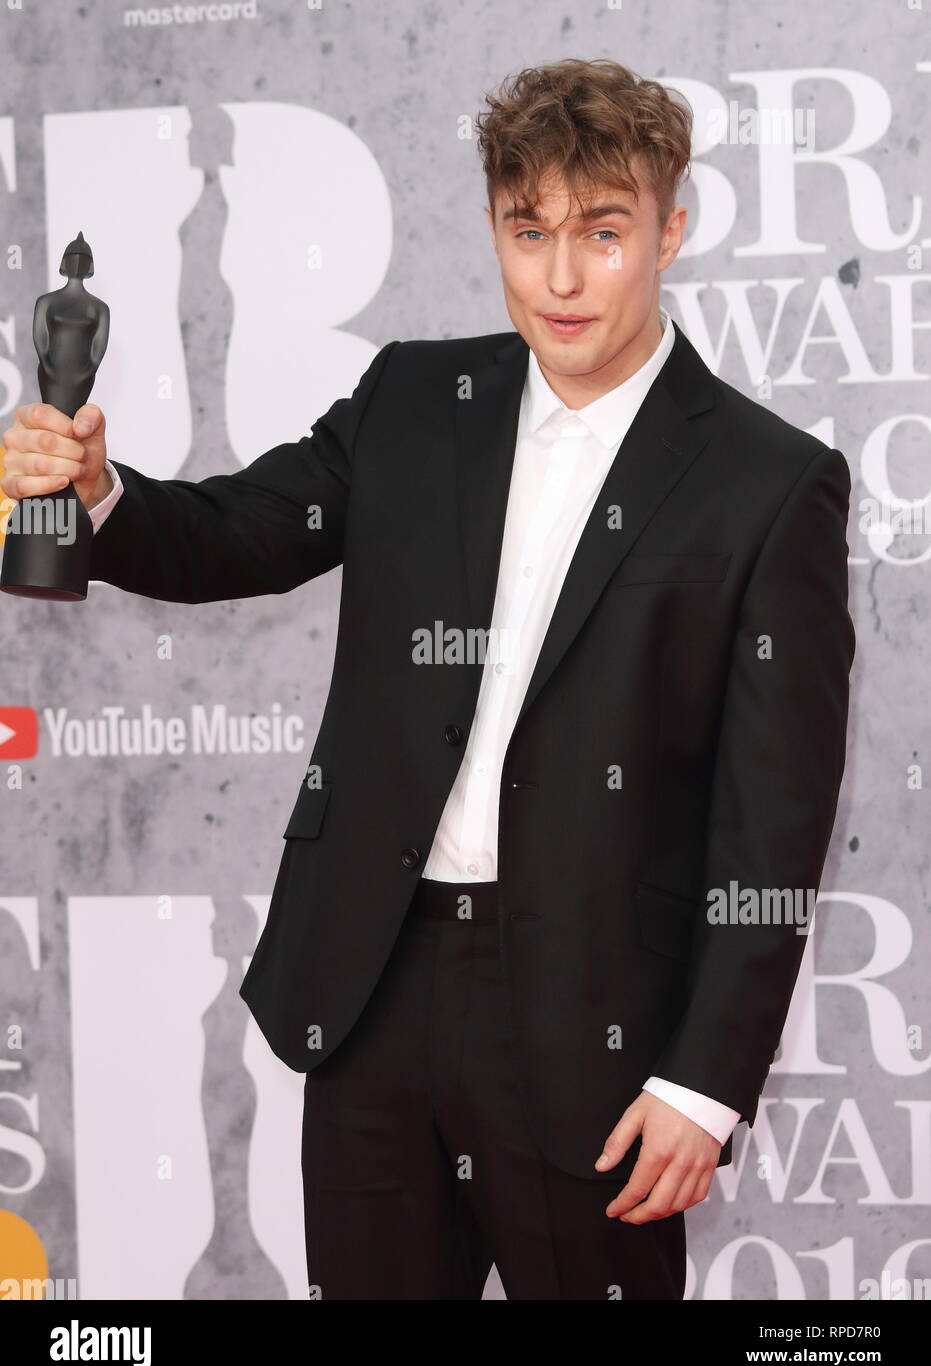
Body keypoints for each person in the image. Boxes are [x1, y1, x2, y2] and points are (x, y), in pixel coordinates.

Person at [0, 57, 855, 1300]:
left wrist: (704, 1078)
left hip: (598, 1021)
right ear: (497, 228)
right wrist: (97, 491)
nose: (560, 278)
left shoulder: (766, 481)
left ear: (669, 232)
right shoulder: (416, 398)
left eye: (602, 233)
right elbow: (237, 533)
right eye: (530, 231)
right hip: (374, 990)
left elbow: (774, 822)